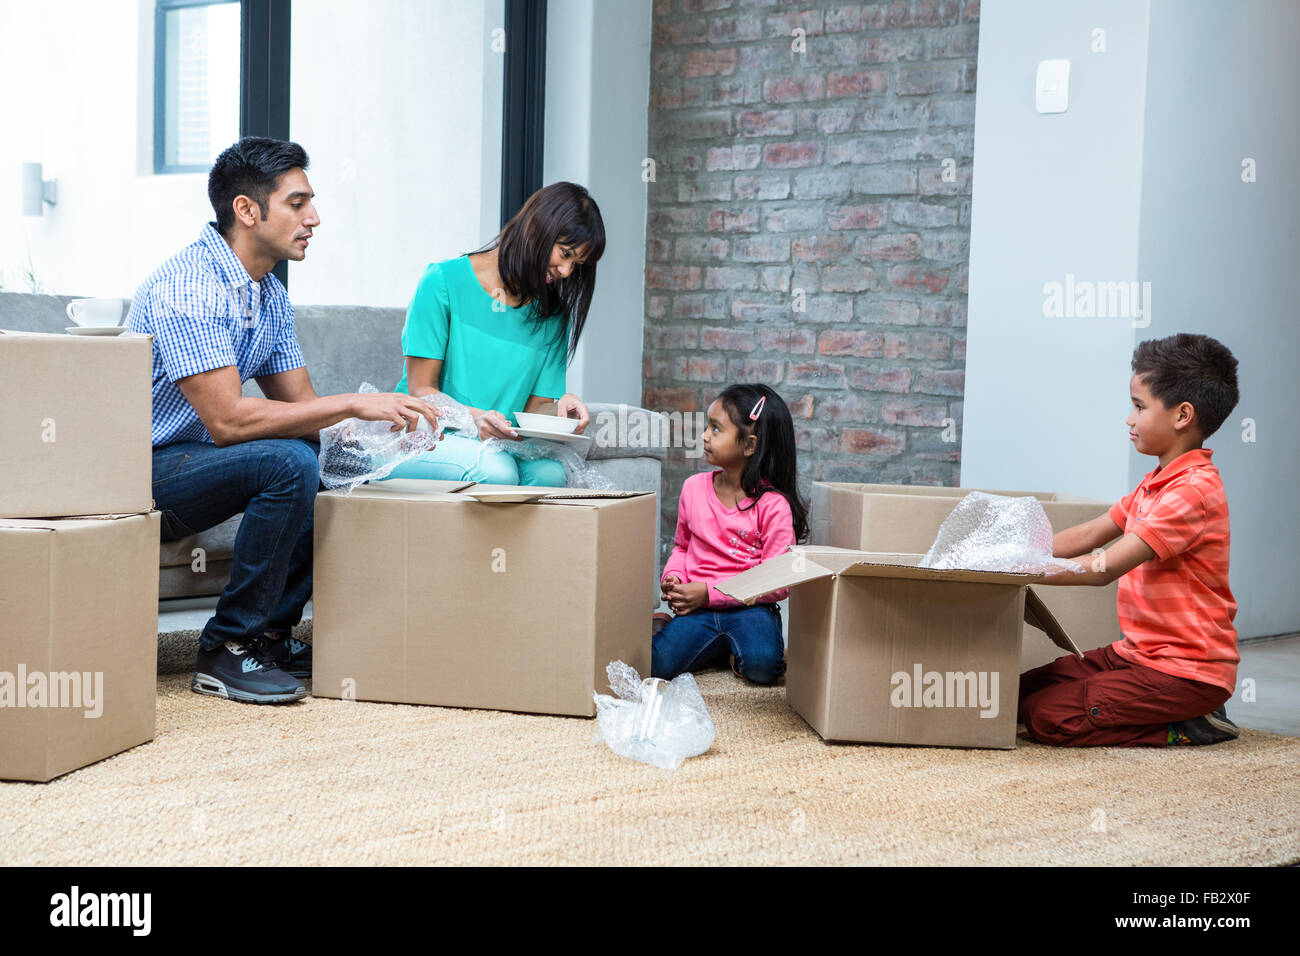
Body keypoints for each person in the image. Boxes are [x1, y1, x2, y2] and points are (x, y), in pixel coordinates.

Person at [128, 137, 439, 705]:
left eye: (311, 203)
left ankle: (269, 638)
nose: (314, 219)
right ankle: (225, 648)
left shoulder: (266, 293)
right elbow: (227, 421)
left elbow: (300, 411)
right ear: (247, 210)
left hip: (198, 463)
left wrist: (385, 445)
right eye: (298, 204)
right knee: (289, 463)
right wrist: (350, 404)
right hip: (142, 473)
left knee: (326, 458)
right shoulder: (188, 288)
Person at [1020, 333, 1241, 746]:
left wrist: (1021, 571)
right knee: (1018, 694)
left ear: (1182, 416)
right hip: (1136, 655)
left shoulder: (1192, 493)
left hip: (1187, 672)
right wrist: (1020, 553)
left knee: (1046, 717)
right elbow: (1089, 534)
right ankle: (1168, 712)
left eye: (1139, 407)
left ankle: (1192, 724)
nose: (1129, 418)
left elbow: (1105, 567)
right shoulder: (1154, 484)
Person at [380, 182, 605, 488]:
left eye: (576, 264)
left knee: (550, 474)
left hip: (499, 445)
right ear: (536, 229)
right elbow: (421, 390)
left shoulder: (551, 317)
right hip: (425, 435)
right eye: (564, 253)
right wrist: (474, 419)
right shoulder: (442, 282)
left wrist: (560, 407)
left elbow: (532, 411)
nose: (566, 271)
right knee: (496, 471)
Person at [652, 384, 808, 685]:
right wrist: (674, 578)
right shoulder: (693, 488)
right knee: (656, 665)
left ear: (749, 445)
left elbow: (777, 583)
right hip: (698, 609)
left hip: (751, 610)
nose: (704, 436)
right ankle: (673, 628)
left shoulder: (773, 505)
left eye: (715, 428)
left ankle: (725, 649)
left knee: (765, 669)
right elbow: (682, 547)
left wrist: (709, 592)